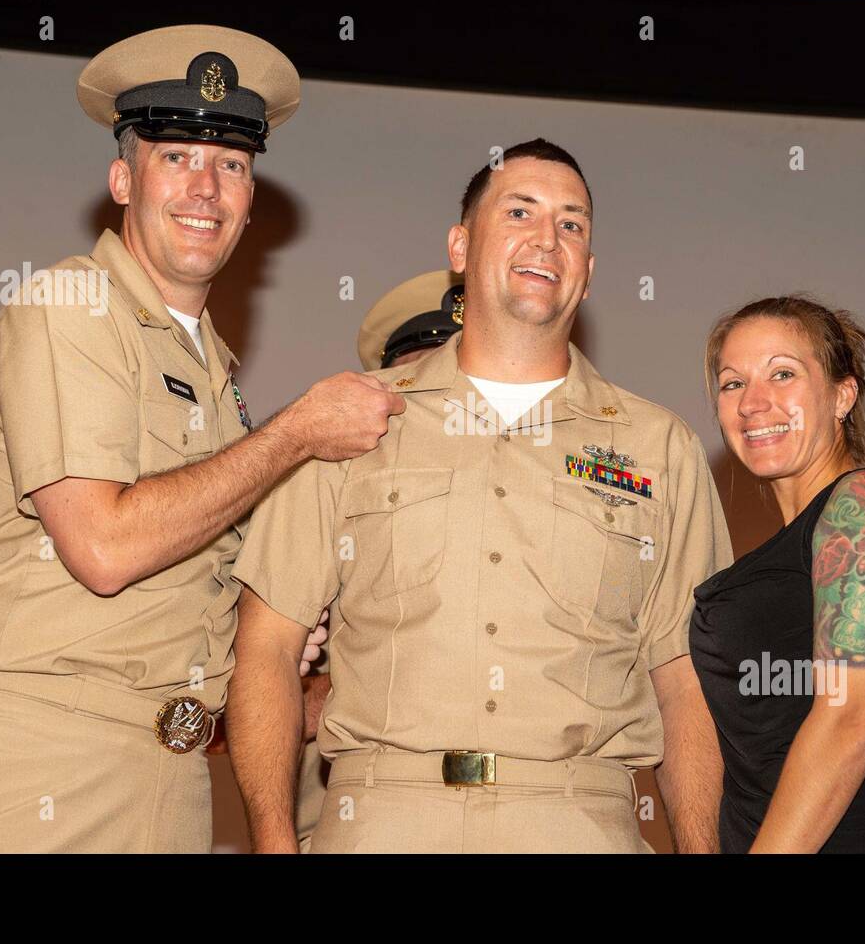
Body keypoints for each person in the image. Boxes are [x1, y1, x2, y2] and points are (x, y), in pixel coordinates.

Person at [0, 25, 402, 853]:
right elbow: (104, 544)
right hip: (41, 766)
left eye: (232, 166)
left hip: (174, 776)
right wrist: (299, 432)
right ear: (122, 179)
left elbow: (184, 565)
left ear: (251, 195)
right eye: (177, 157)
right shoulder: (69, 307)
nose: (206, 188)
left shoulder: (213, 371)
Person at [228, 138, 734, 853]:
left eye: (571, 223)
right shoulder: (350, 419)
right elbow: (267, 646)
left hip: (579, 822)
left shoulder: (659, 447)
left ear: (588, 272)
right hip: (381, 820)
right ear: (461, 247)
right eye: (520, 211)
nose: (546, 239)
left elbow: (685, 680)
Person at [689, 295, 865, 852]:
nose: (754, 402)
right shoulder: (771, 559)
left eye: (782, 374)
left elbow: (851, 724)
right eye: (732, 384)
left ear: (842, 395)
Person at [293, 269, 465, 849]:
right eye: (419, 375)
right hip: (354, 817)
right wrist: (328, 692)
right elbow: (239, 665)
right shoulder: (324, 481)